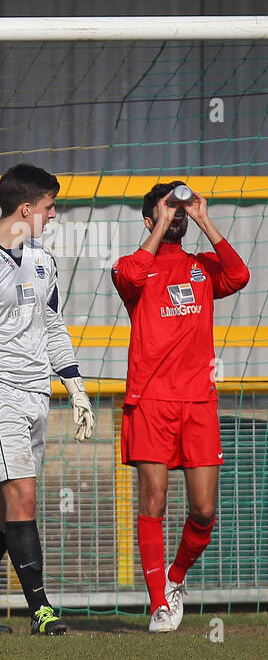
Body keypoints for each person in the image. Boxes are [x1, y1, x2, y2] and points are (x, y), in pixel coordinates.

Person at [0, 163, 95, 636]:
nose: (54, 215)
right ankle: (42, 609)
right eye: (50, 207)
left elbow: (51, 325)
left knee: (3, 511)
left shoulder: (44, 260)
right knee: (23, 496)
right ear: (26, 209)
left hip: (36, 393)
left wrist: (76, 387)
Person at [111, 182, 249, 632]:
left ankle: (175, 577)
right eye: (168, 210)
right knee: (154, 500)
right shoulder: (135, 267)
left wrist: (205, 218)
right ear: (150, 220)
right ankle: (158, 605)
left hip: (198, 402)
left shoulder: (201, 268)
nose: (179, 215)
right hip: (150, 401)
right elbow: (128, 276)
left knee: (205, 510)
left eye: (182, 210)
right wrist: (163, 222)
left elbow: (240, 275)